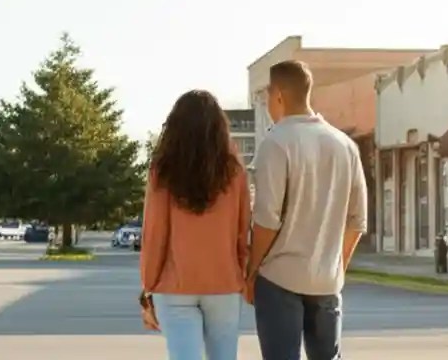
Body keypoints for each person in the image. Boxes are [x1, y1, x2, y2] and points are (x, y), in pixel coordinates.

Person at [246, 60, 368, 360]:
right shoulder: (345, 146)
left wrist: (251, 272)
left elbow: (266, 220)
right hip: (326, 281)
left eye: (266, 98)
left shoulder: (276, 144)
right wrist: (337, 265)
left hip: (279, 278)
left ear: (279, 95)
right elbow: (357, 221)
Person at [140, 89, 251, 360]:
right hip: (224, 283)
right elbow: (242, 231)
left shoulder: (163, 171)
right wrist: (242, 276)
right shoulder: (235, 172)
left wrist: (148, 287)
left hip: (175, 285)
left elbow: (155, 234)